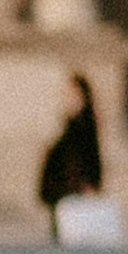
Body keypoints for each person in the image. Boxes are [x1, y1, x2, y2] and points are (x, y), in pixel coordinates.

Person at [39, 71, 103, 221]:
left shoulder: (85, 124)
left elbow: (91, 154)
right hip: (63, 186)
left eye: (73, 95)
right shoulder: (70, 122)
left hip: (75, 186)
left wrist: (91, 182)